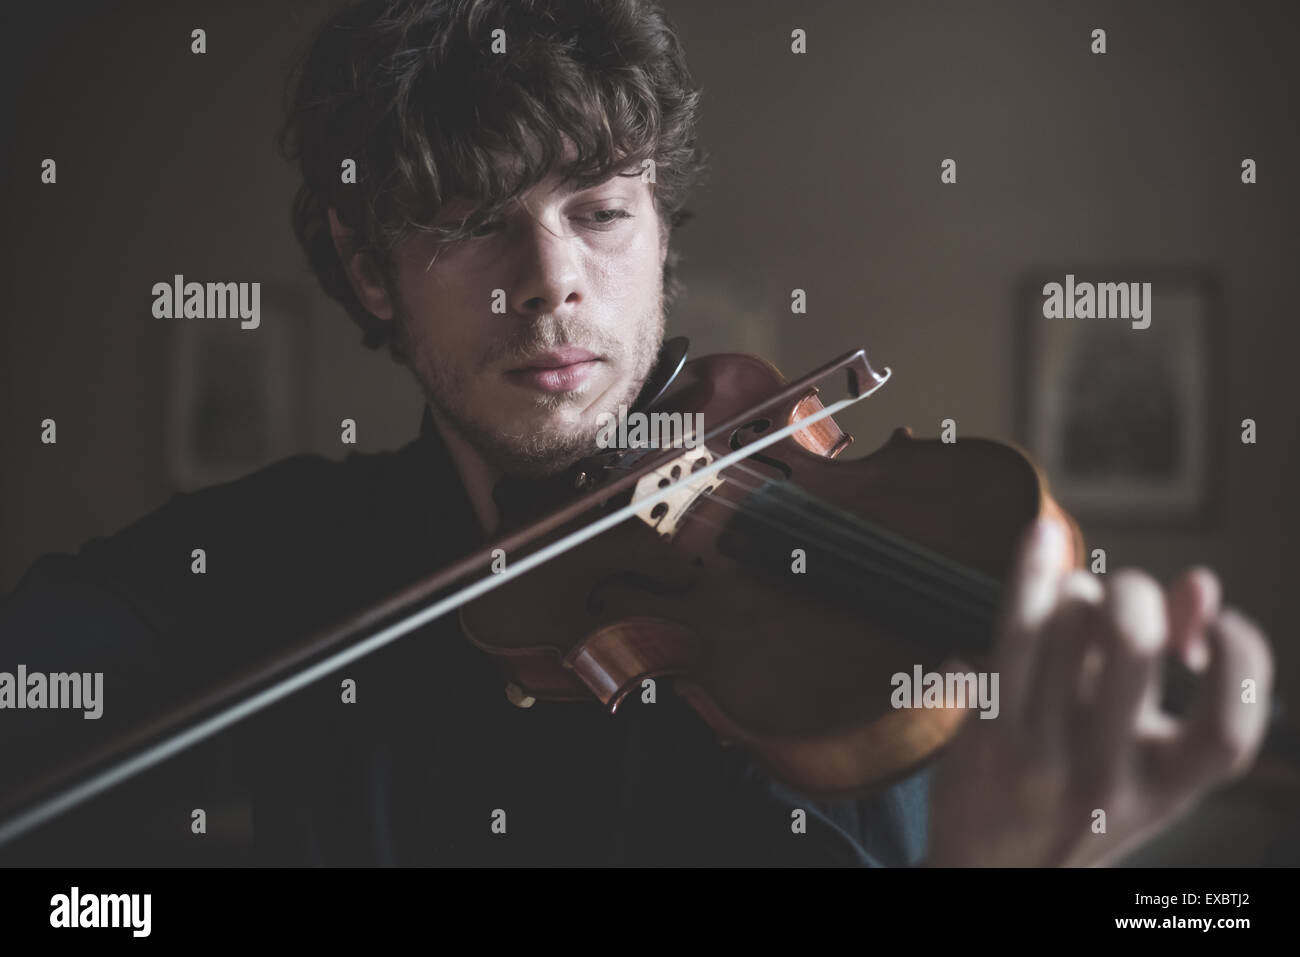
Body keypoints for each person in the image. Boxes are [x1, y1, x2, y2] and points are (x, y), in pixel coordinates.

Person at [0, 0, 1273, 867]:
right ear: (368, 265)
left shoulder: (860, 680)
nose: (551, 282)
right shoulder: (274, 561)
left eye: (601, 211)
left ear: (661, 231)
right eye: (468, 221)